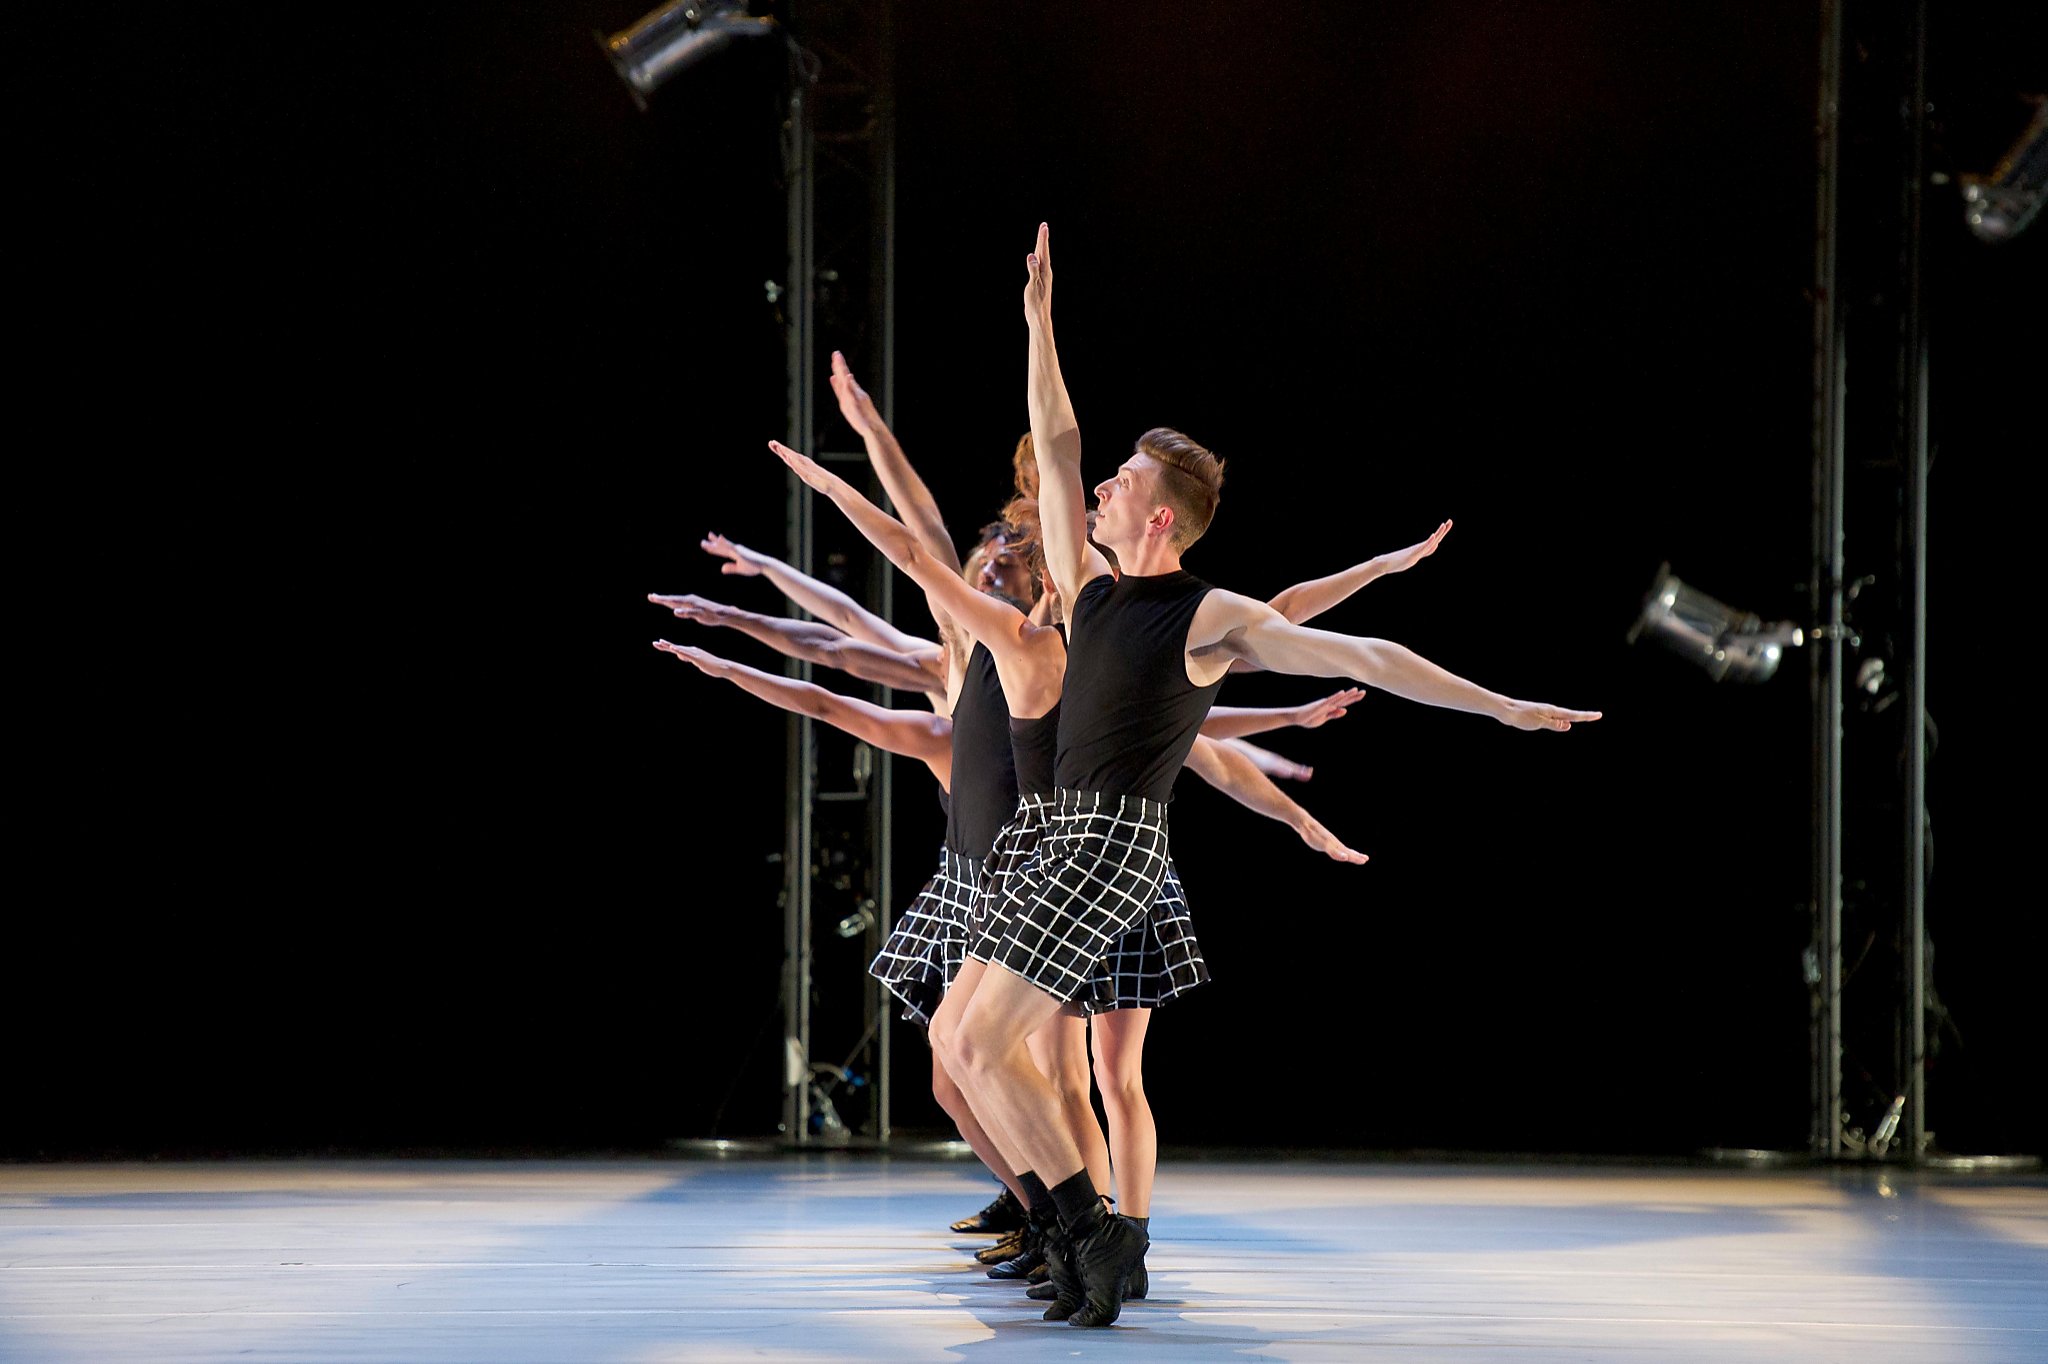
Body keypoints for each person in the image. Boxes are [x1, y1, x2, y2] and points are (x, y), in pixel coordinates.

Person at [930, 223, 1601, 1329]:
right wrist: (1038, 320)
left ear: (1159, 517)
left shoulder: (1204, 615)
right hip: (1053, 835)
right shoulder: (1087, 586)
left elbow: (1365, 655)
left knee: (988, 1038)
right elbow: (1054, 441)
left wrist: (1496, 704)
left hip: (1107, 841)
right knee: (964, 1039)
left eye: (1122, 482)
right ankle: (1075, 1228)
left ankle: (1090, 1232)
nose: (1097, 487)